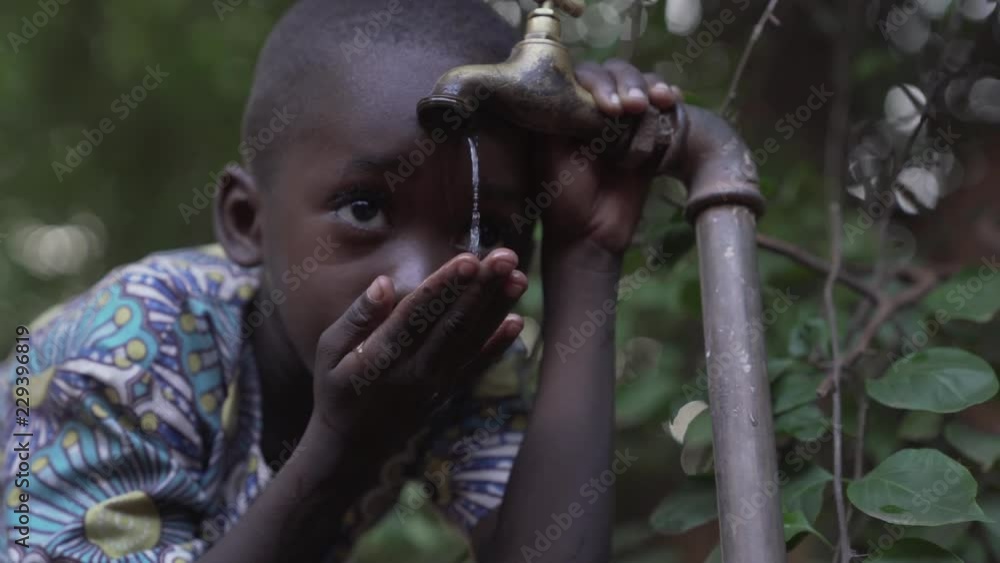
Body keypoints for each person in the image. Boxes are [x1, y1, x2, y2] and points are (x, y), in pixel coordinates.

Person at [0, 0, 681, 560]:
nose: (424, 279)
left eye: (487, 230)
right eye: (365, 207)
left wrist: (587, 256)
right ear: (247, 221)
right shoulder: (124, 354)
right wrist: (343, 448)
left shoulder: (463, 350)